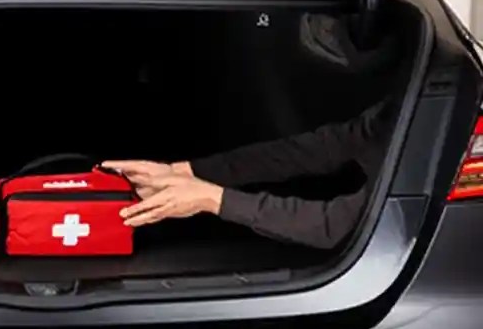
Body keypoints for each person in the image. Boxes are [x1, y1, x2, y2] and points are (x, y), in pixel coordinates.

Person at [102, 100, 397, 249]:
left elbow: (339, 225)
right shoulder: (393, 111)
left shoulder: (427, 126)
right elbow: (316, 149)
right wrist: (185, 171)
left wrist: (211, 198)